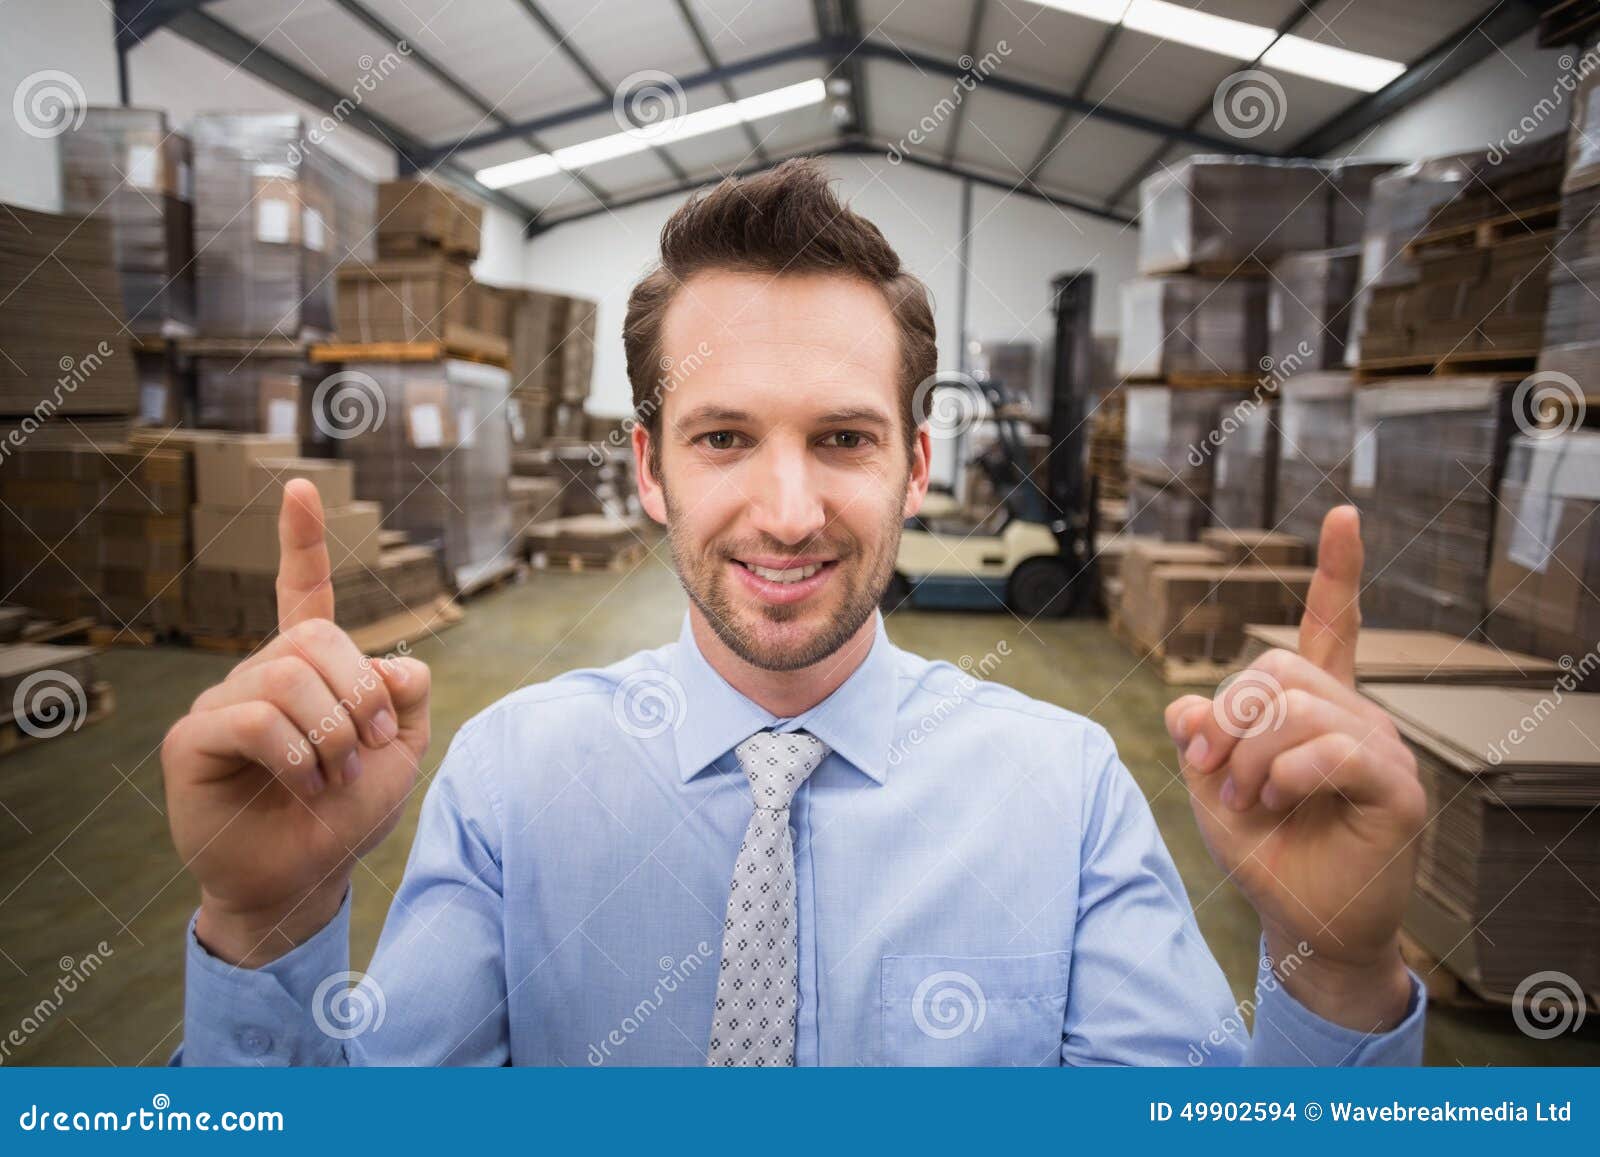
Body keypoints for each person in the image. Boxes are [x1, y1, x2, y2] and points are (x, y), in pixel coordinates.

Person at [164, 159, 1426, 1066]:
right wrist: (263, 929)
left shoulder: (1064, 787)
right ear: (651, 468)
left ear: (915, 465)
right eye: (723, 437)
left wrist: (1338, 973)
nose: (785, 509)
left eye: (841, 438)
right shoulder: (512, 779)